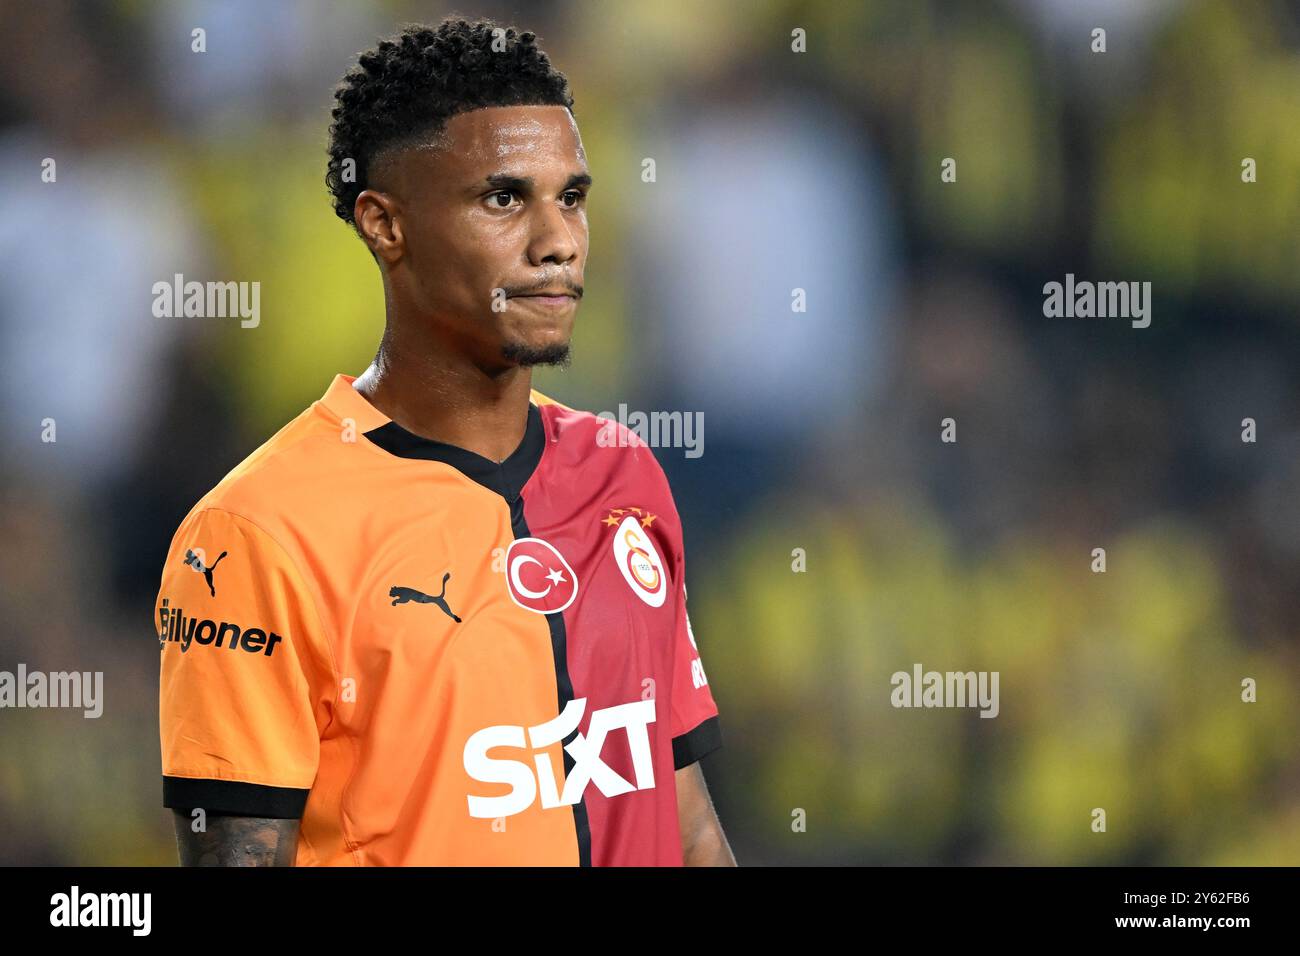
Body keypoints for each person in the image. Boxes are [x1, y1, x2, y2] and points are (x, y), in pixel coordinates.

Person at [154, 17, 733, 867]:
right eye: (504, 198)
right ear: (384, 226)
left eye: (570, 197)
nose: (558, 242)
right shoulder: (257, 534)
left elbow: (686, 825)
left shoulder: (626, 476)